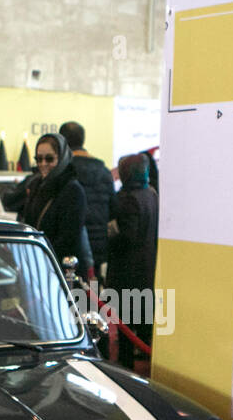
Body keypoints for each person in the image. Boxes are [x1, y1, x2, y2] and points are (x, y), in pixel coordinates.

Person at [107, 154, 159, 369]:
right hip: (147, 268)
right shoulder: (152, 194)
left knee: (126, 329)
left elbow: (126, 236)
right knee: (144, 327)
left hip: (126, 271)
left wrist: (109, 232)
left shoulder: (127, 199)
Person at [20, 132, 85, 268]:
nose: (43, 164)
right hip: (36, 263)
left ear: (61, 158)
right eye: (39, 159)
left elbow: (68, 238)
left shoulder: (72, 190)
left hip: (60, 267)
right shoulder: (35, 185)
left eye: (49, 159)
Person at [60, 121, 115, 275]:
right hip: (98, 246)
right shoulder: (104, 172)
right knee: (90, 294)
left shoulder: (63, 172)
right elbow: (113, 209)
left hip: (71, 246)